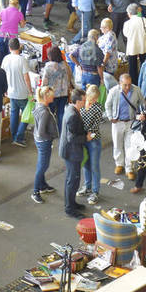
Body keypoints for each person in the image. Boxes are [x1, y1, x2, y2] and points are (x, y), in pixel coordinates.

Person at [60, 88, 87, 218]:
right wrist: (86, 138)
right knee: (73, 180)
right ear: (78, 101)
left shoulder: (71, 110)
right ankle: (69, 208)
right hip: (72, 152)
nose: (85, 102)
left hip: (69, 151)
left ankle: (71, 203)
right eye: (84, 100)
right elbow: (73, 138)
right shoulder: (73, 115)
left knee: (71, 179)